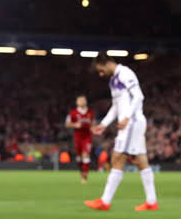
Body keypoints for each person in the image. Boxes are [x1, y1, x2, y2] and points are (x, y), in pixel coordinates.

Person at [84, 56, 158, 211]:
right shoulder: (113, 81)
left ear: (106, 63)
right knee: (140, 161)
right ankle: (151, 202)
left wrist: (127, 117)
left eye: (101, 70)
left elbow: (139, 96)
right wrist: (104, 124)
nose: (101, 74)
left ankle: (105, 201)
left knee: (117, 157)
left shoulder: (125, 73)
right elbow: (116, 106)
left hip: (132, 123)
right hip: (129, 123)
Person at [65, 94, 95, 184]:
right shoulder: (73, 112)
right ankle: (81, 171)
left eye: (83, 100)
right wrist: (75, 125)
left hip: (87, 136)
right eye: (80, 100)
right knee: (79, 156)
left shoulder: (90, 112)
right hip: (77, 136)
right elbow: (67, 124)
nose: (82, 102)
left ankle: (84, 176)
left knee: (85, 154)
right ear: (77, 102)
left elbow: (93, 123)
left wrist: (94, 129)